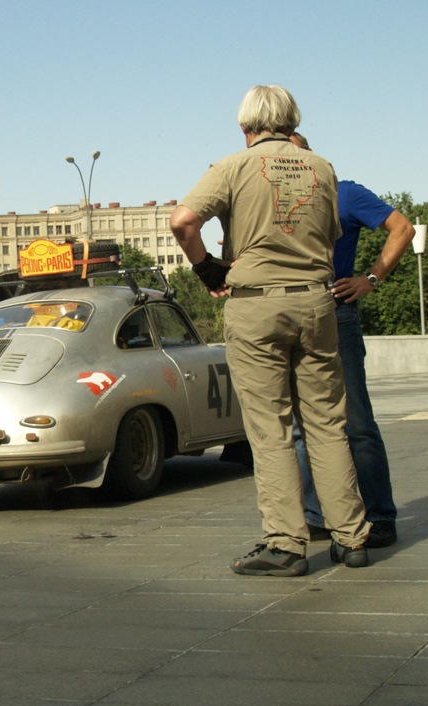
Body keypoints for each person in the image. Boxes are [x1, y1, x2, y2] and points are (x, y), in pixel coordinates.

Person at [170, 85, 370, 577]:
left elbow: (183, 221)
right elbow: (330, 234)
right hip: (317, 302)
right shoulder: (322, 167)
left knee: (272, 428)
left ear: (245, 128)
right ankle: (352, 538)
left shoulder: (232, 168)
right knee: (327, 423)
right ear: (291, 120)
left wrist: (207, 270)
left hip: (257, 306)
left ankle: (285, 544)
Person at [289, 132, 414, 549]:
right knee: (302, 425)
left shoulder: (345, 194)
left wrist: (371, 278)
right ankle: (316, 515)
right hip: (289, 312)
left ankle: (379, 515)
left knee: (356, 420)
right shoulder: (274, 202)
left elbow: (402, 227)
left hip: (335, 309)